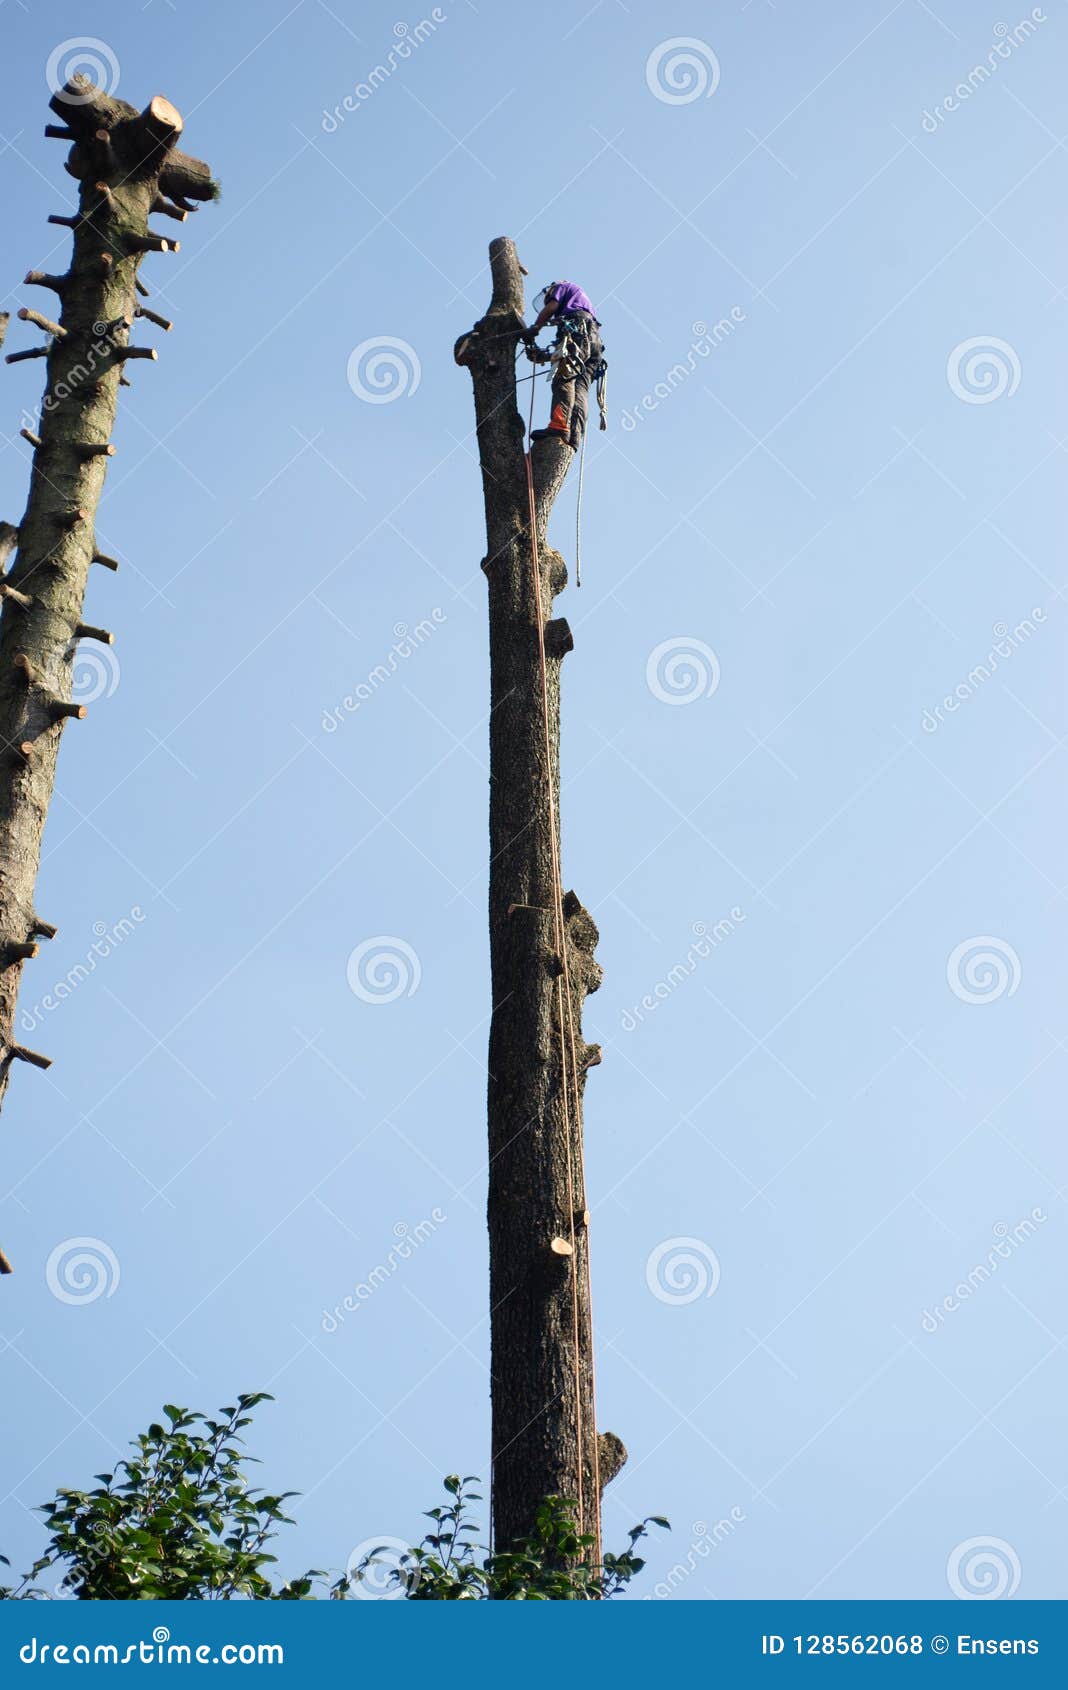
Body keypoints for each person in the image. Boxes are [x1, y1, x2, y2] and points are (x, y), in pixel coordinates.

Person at [523, 281, 605, 450]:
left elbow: (552, 306)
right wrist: (540, 356)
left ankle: (559, 427)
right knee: (580, 387)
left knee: (564, 377)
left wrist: (534, 329)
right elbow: (562, 354)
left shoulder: (562, 286)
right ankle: (574, 437)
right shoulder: (580, 306)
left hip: (579, 332)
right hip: (595, 343)